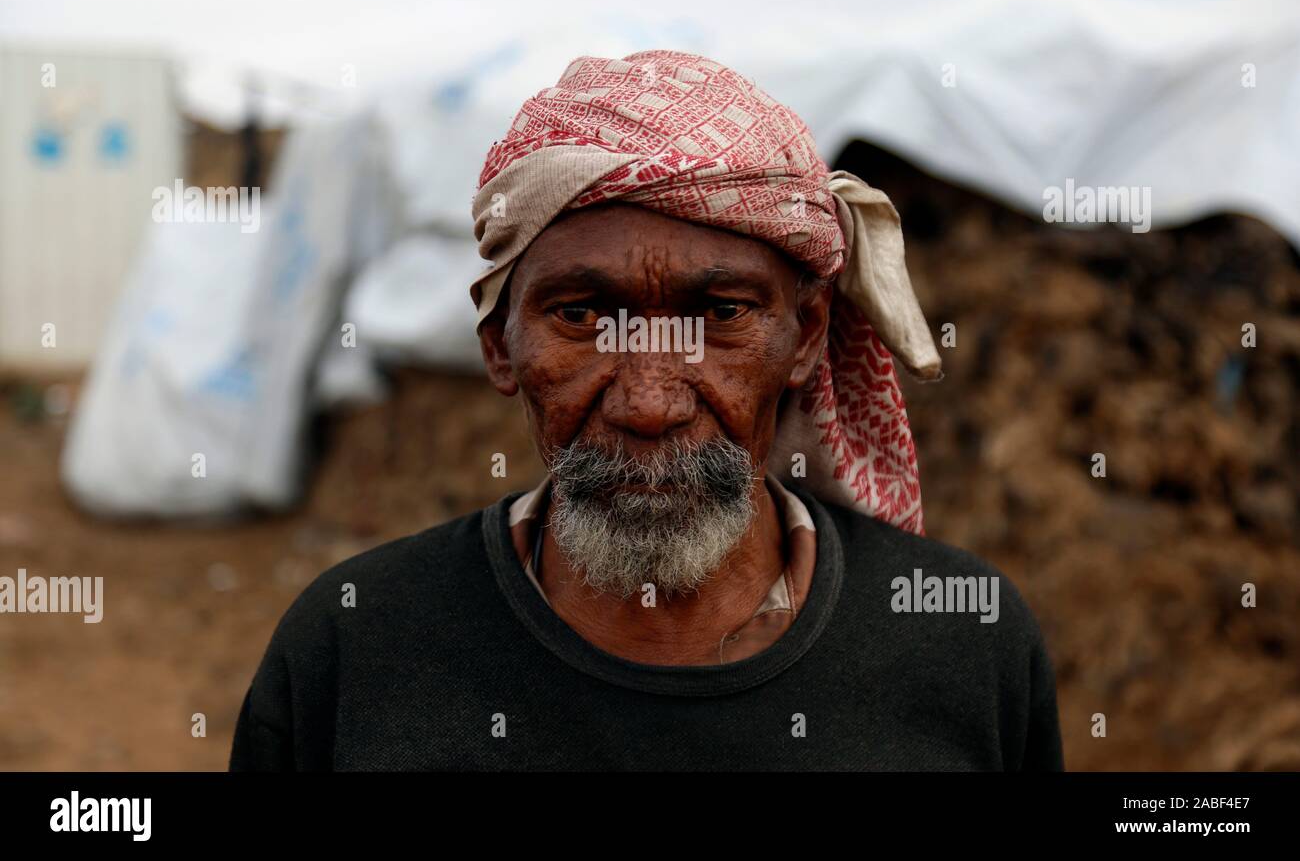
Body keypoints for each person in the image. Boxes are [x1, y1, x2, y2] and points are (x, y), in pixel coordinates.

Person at [230, 50, 1064, 770]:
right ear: (497, 346)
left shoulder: (963, 642)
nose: (650, 403)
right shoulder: (355, 648)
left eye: (720, 316)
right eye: (584, 317)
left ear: (808, 337)